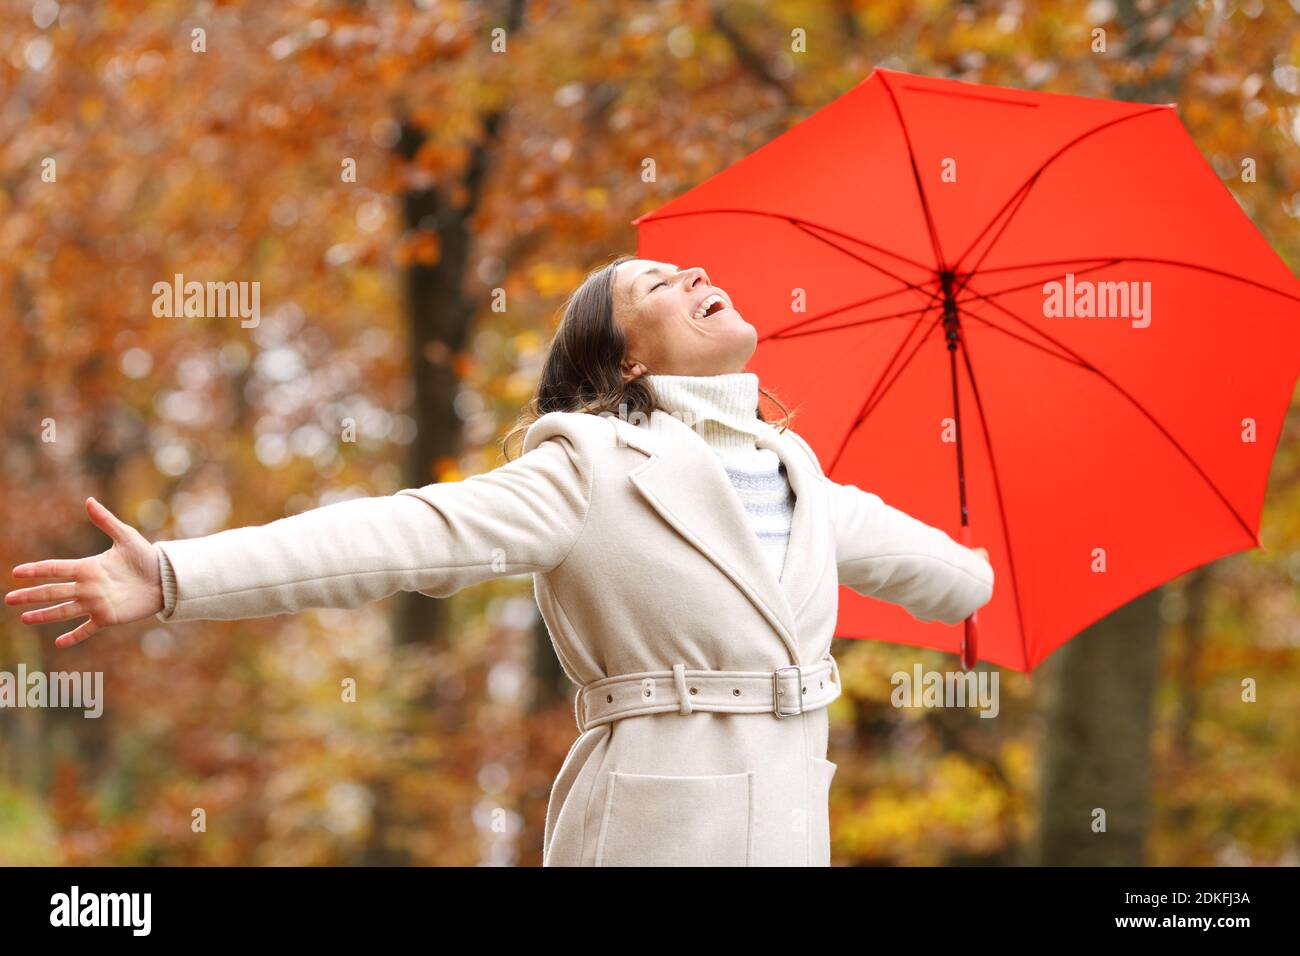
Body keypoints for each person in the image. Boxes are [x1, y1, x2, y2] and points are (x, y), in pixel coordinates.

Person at [6, 253, 993, 866]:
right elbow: (397, 535)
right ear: (629, 361)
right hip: (656, 825)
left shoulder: (805, 482)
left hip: (788, 826)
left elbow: (963, 578)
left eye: (690, 270)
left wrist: (980, 417)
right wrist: (173, 574)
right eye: (657, 282)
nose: (693, 275)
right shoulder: (588, 463)